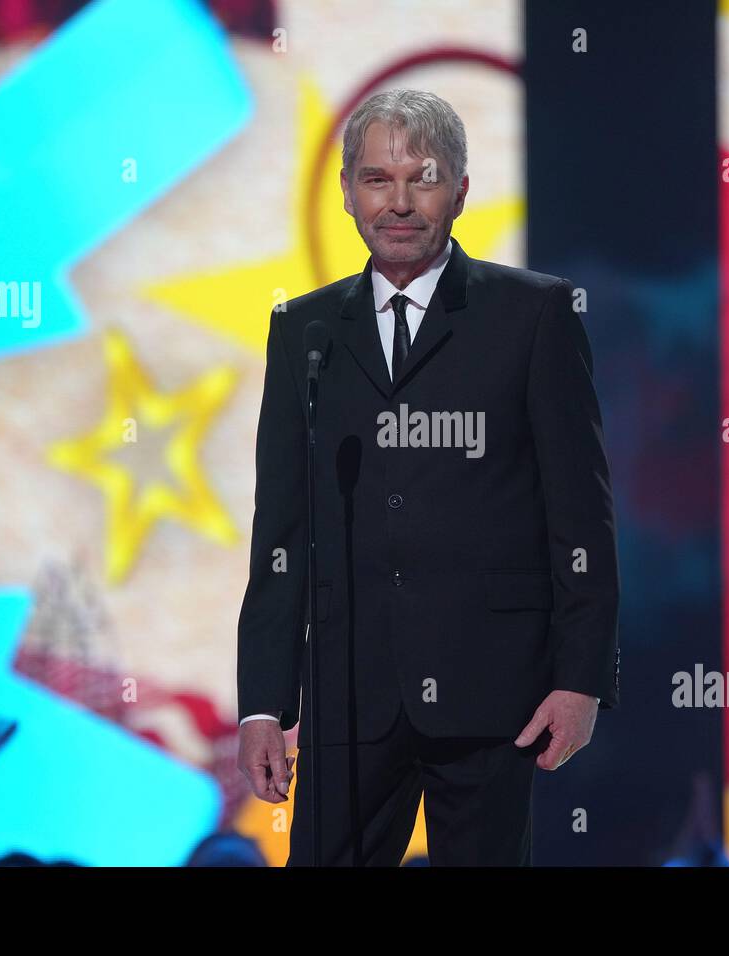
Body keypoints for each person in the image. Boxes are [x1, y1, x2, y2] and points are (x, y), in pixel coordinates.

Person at [235, 89, 620, 866]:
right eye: (378, 179)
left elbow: (582, 519)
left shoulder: (533, 316)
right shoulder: (302, 330)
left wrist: (581, 681)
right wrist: (263, 706)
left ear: (462, 191)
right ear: (347, 193)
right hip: (349, 697)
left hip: (493, 694)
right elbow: (282, 531)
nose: (400, 202)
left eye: (424, 178)